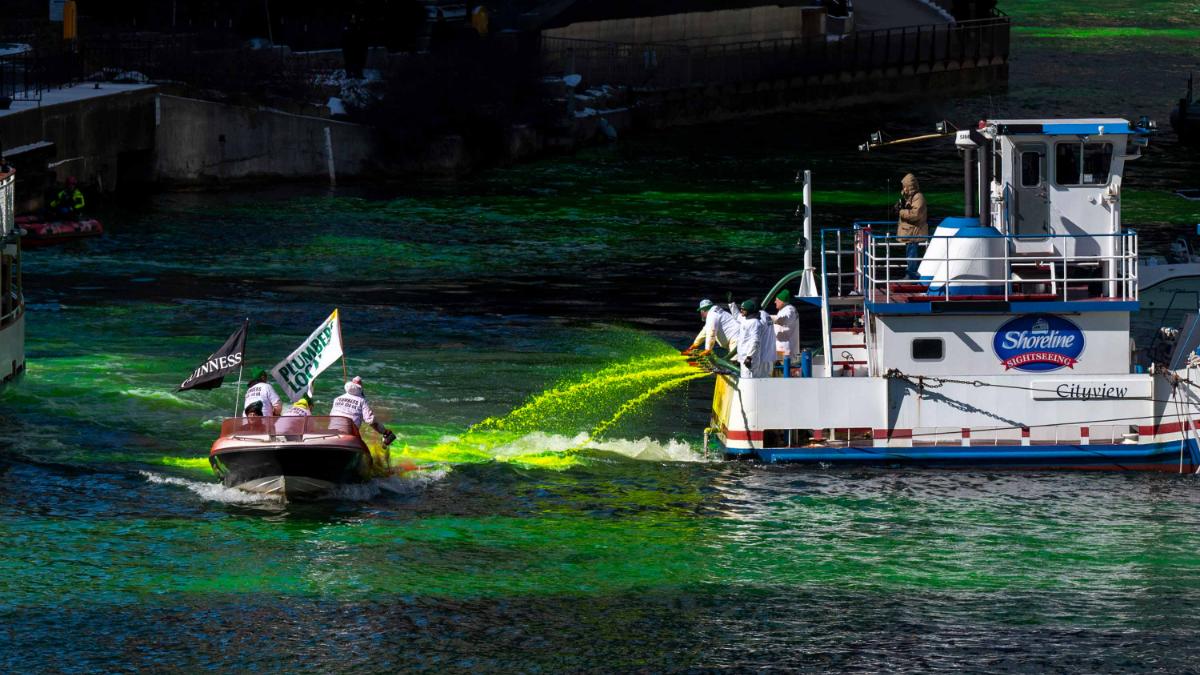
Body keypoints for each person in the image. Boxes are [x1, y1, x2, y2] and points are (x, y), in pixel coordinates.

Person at [329, 376, 397, 445]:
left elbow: (331, 416)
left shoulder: (337, 399)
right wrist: (384, 431)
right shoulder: (362, 400)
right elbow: (370, 420)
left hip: (332, 433)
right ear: (360, 387)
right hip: (349, 435)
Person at [896, 173, 928, 280]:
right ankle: (911, 274)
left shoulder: (918, 197)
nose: (903, 188)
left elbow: (915, 215)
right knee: (910, 254)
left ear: (909, 186)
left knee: (912, 254)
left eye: (904, 186)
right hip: (910, 232)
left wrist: (901, 212)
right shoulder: (910, 197)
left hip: (914, 232)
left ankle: (911, 275)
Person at [736, 299, 776, 379]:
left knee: (754, 380)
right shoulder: (767, 316)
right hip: (770, 355)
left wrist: (749, 356)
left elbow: (755, 340)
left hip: (761, 356)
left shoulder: (757, 319)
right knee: (765, 380)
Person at [770, 289, 800, 361]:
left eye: (776, 300)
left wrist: (768, 318)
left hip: (785, 349)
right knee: (779, 370)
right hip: (781, 347)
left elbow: (782, 319)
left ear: (782, 301)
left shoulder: (790, 310)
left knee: (784, 370)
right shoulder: (783, 310)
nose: (775, 302)